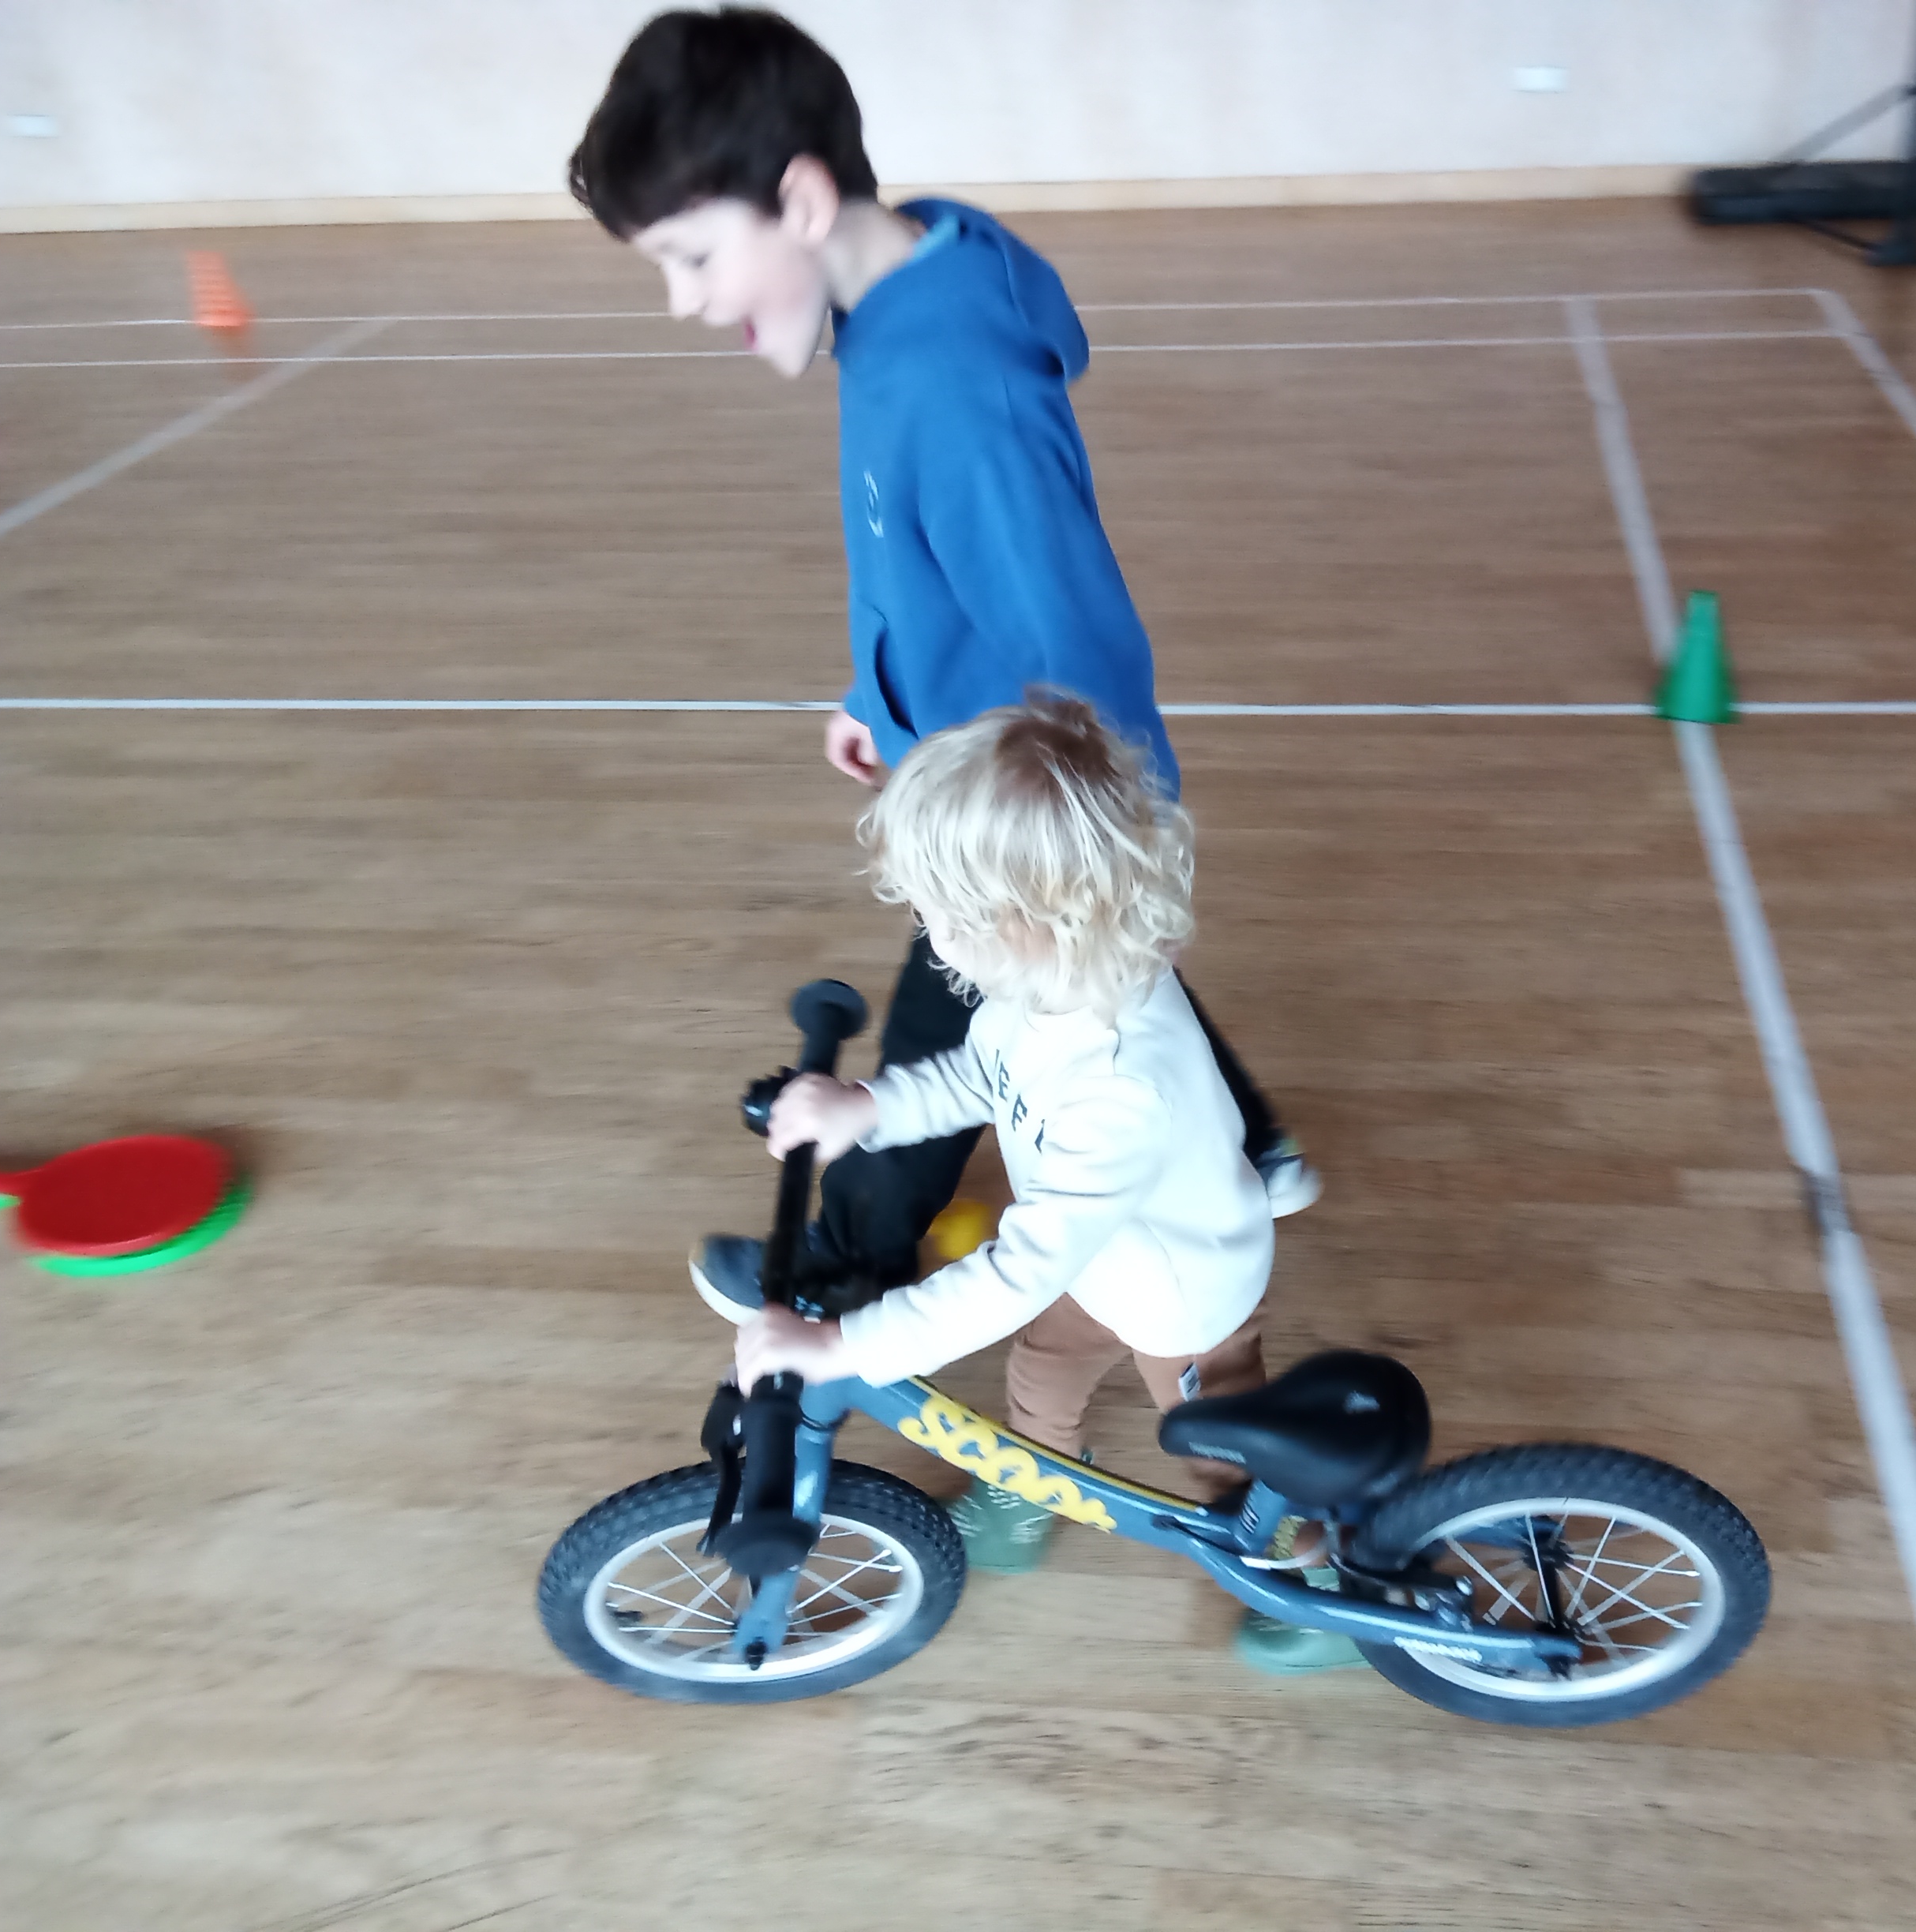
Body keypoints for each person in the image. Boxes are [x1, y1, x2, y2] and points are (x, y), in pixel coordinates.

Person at [567, 6, 1315, 1304]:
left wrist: (1081, 833)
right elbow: (904, 542)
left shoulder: (955, 382)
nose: (686, 304)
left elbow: (1078, 630)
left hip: (1011, 809)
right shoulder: (908, 271)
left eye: (692, 258)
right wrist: (876, 688)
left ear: (798, 201)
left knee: (958, 1007)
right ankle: (1247, 1136)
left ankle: (842, 1272)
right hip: (959, 747)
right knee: (1094, 970)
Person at [698, 698, 1356, 1672]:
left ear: (1027, 922)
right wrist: (867, 1110)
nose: (925, 928)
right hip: (1101, 1262)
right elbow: (982, 1077)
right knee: (1042, 1372)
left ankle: (1321, 1585)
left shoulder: (1117, 1088)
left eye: (942, 914)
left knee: (1222, 1453)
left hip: (1176, 1300)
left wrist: (843, 1344)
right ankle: (1032, 1490)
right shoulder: (1050, 984)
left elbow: (1014, 1276)